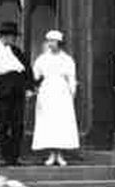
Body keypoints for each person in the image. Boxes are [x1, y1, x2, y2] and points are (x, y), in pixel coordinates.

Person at [0, 21, 33, 165]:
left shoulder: (17, 51)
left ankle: (15, 157)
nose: (13, 39)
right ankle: (5, 157)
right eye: (12, 36)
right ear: (4, 36)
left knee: (18, 125)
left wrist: (29, 88)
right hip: (2, 93)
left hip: (18, 93)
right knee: (3, 125)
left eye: (14, 37)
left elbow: (27, 70)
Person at [31, 30, 81, 165]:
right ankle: (51, 154)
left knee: (60, 122)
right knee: (49, 122)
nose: (51, 44)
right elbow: (35, 76)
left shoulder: (67, 59)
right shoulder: (42, 59)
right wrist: (34, 88)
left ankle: (60, 154)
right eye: (49, 41)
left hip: (62, 93)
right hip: (47, 92)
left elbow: (71, 78)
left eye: (53, 41)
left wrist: (72, 93)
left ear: (59, 43)